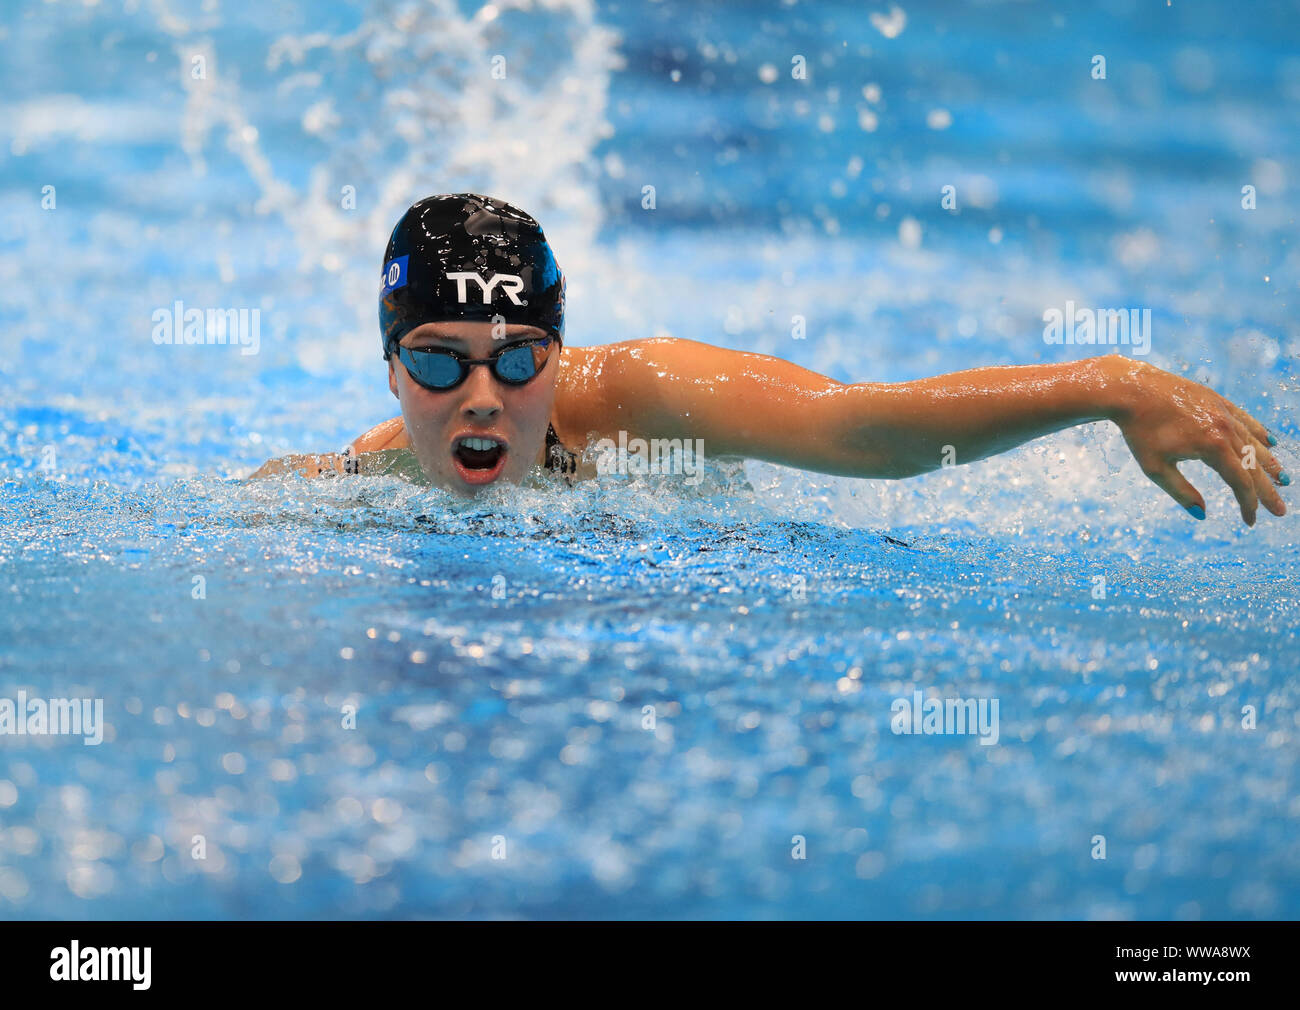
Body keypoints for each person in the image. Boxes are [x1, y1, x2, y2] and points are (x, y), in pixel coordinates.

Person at [251, 193, 1289, 527]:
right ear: (391, 372)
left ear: (560, 357)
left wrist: (1109, 385)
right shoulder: (369, 475)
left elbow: (863, 430)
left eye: (519, 359)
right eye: (440, 365)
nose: (481, 398)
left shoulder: (645, 394)